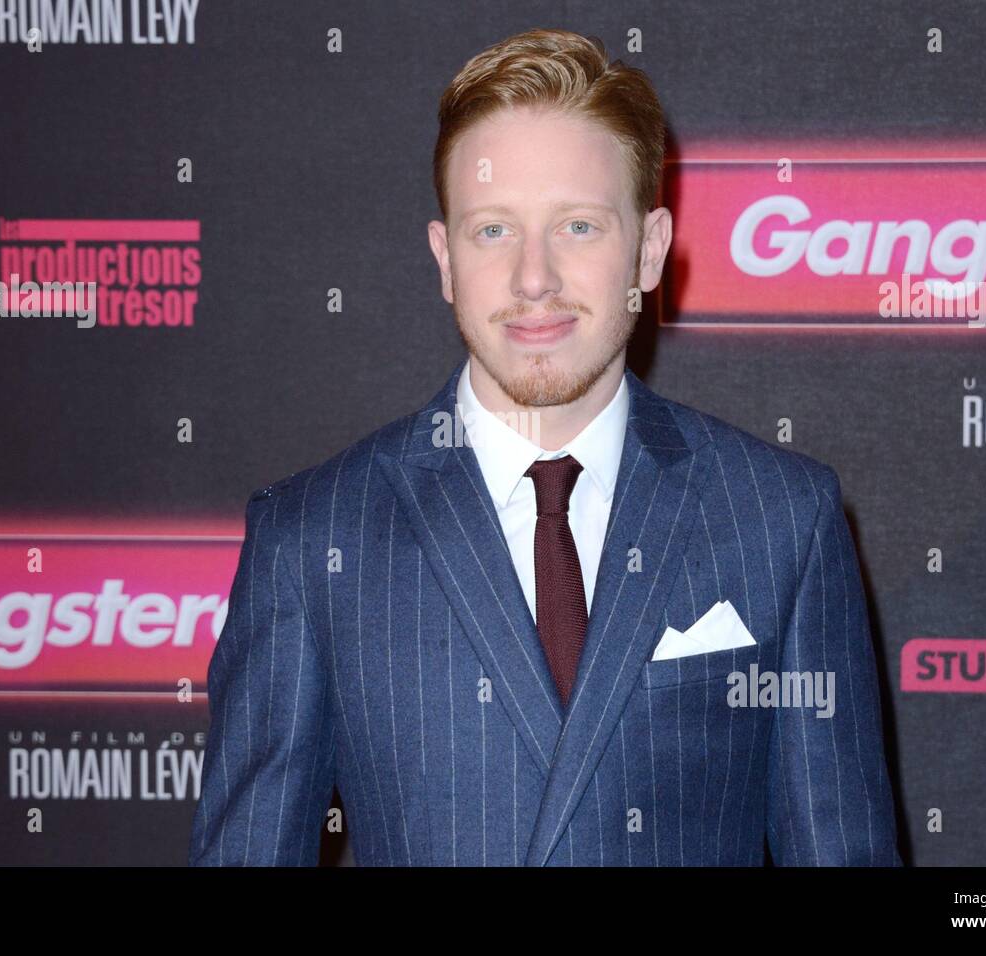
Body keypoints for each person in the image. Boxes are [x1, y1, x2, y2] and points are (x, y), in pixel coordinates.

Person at [189, 27, 902, 866]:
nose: (535, 278)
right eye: (493, 231)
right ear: (444, 258)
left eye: (577, 227)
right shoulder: (313, 538)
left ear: (649, 249)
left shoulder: (781, 517)